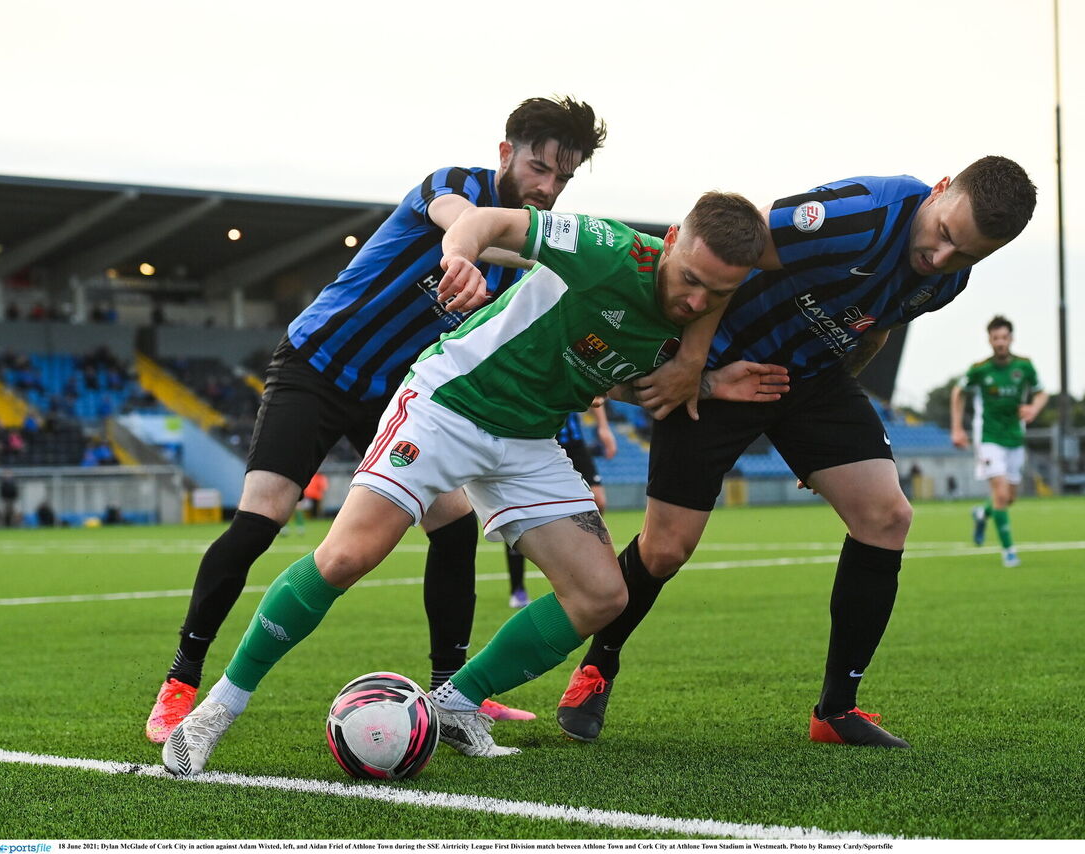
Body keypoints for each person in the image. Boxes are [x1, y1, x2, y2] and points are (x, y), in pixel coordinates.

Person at [163, 192, 786, 775]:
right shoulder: (607, 248)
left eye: (718, 292)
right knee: (349, 554)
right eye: (691, 280)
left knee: (603, 597)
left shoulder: (697, 323)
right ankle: (216, 710)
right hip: (448, 405)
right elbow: (491, 222)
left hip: (529, 441)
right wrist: (459, 256)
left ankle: (455, 703)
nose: (698, 302)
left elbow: (628, 381)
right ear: (672, 241)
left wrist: (706, 380)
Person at [145, 96, 609, 744]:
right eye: (539, 167)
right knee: (264, 517)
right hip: (318, 363)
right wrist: (470, 253)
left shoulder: (525, 255)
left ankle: (450, 693)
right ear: (506, 153)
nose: (547, 187)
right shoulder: (454, 187)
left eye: (562, 178)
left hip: (390, 394)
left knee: (454, 524)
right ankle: (182, 680)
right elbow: (462, 222)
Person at [555, 156, 1038, 750]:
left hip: (808, 381)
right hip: (724, 366)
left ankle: (836, 710)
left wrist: (825, 446)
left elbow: (877, 326)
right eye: (943, 236)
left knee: (887, 516)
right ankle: (598, 665)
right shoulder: (859, 216)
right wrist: (690, 365)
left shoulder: (947, 280)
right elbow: (731, 258)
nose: (942, 260)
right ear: (939, 191)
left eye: (965, 255)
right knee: (666, 548)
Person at [950, 315, 1047, 567]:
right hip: (989, 438)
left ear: (1011, 339)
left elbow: (1041, 392)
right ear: (989, 340)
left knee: (1010, 498)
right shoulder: (980, 369)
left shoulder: (1024, 367)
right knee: (1001, 494)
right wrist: (957, 428)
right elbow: (958, 391)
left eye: (1004, 337)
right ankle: (1009, 552)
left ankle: (982, 513)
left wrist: (1033, 408)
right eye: (996, 338)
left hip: (1015, 436)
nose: (1000, 342)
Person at [506, 405, 617, 609]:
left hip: (573, 439)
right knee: (520, 511)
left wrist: (603, 427)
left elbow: (596, 398)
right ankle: (518, 587)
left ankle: (584, 564)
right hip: (542, 439)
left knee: (598, 501)